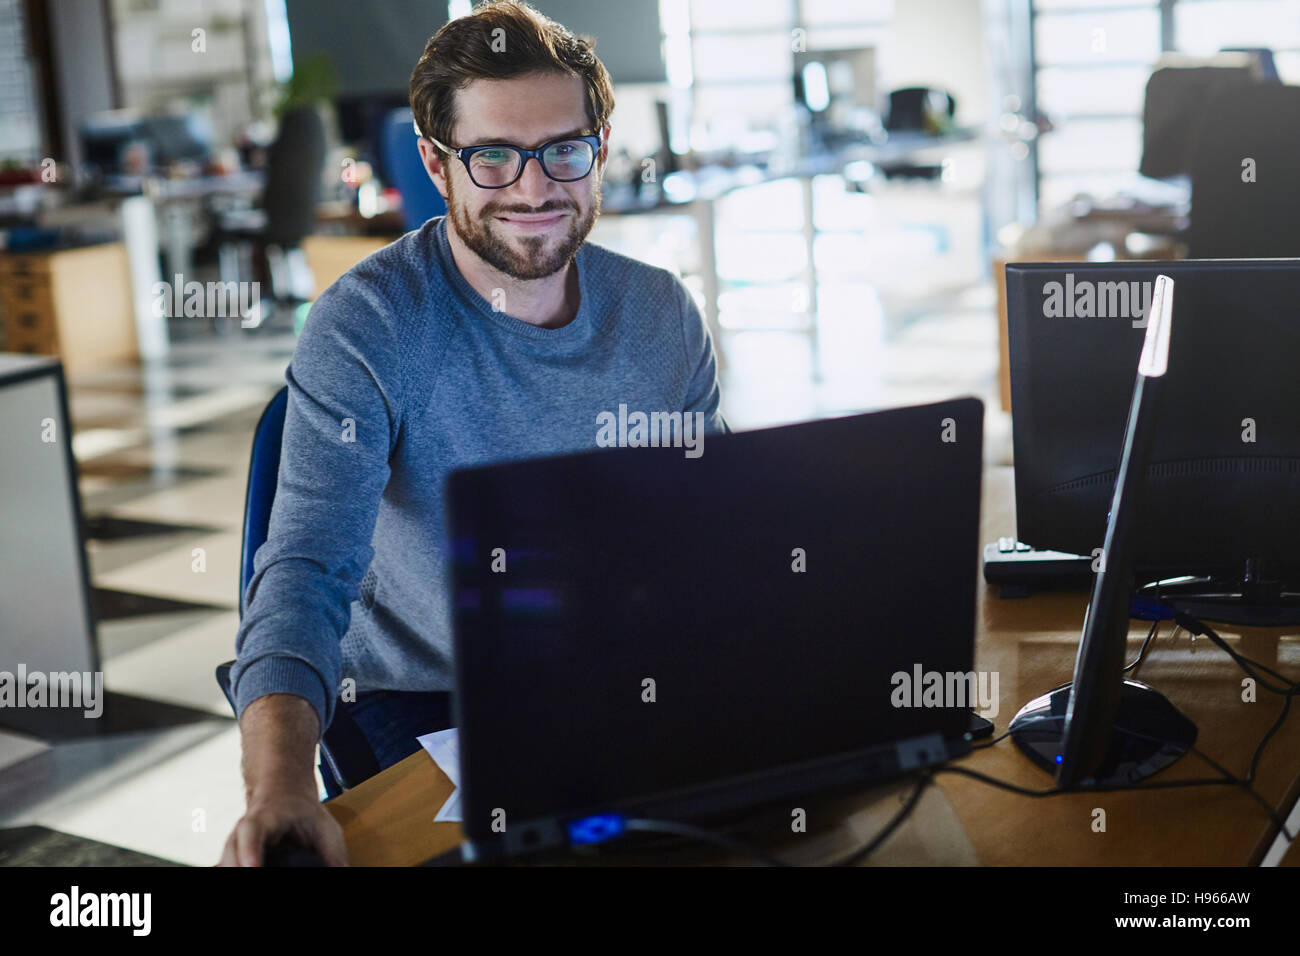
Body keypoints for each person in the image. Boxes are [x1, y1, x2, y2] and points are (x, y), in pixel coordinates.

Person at [218, 0, 726, 866]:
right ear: (437, 165)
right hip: (423, 697)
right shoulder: (370, 325)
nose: (533, 189)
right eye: (492, 156)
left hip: (606, 672)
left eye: (563, 149)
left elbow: (710, 529)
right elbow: (304, 571)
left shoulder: (659, 315)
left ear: (598, 151)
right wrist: (280, 789)